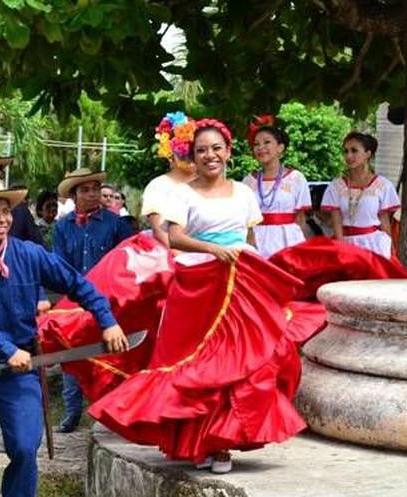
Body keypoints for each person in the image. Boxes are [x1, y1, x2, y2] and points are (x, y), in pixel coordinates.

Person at [89, 118, 308, 474]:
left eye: (216, 148)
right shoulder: (182, 192)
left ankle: (222, 444)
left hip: (240, 284)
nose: (210, 155)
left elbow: (250, 241)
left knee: (240, 362)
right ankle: (195, 442)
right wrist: (211, 249)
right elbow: (173, 237)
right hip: (197, 283)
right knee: (196, 366)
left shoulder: (244, 192)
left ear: (229, 153)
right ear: (193, 155)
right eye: (202, 150)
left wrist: (259, 276)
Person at [0, 174, 128, 497]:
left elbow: (77, 283)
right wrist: (5, 348)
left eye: (6, 211)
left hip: (22, 371)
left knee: (25, 447)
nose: (3, 219)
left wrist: (106, 320)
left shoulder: (29, 254)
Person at [53, 168, 135, 433]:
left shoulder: (116, 224)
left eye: (95, 189)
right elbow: (60, 266)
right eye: (84, 190)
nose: (91, 194)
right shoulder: (62, 227)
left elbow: (126, 260)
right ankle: (71, 413)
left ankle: (109, 412)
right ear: (74, 195)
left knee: (111, 355)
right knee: (71, 354)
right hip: (74, 300)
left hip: (109, 300)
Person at [321, 132, 400, 259]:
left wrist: (391, 249)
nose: (349, 155)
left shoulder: (383, 185)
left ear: (367, 154)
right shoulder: (336, 186)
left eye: (354, 151)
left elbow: (384, 221)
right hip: (345, 244)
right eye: (346, 151)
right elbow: (337, 222)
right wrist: (342, 249)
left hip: (374, 245)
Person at [242, 115, 312, 258]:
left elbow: (301, 220)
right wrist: (249, 239)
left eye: (267, 142)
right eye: (256, 144)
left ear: (280, 148)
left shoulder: (296, 178)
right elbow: (245, 219)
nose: (261, 148)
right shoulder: (248, 181)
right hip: (257, 241)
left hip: (289, 240)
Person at [141, 112, 198, 247]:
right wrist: (182, 258)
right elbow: (159, 231)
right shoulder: (158, 186)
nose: (188, 156)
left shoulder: (208, 182)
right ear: (170, 154)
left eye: (193, 150)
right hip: (170, 254)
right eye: (182, 152)